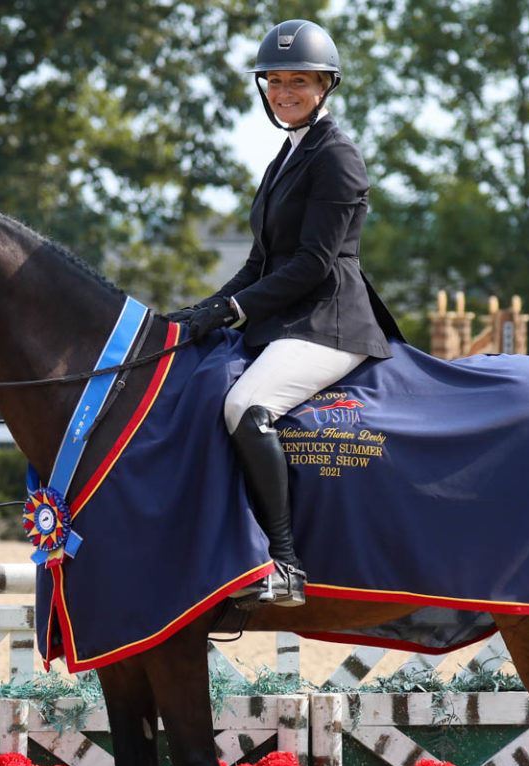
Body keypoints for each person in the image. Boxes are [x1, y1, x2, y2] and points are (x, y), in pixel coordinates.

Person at [167, 18, 403, 607]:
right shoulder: (286, 157)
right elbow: (260, 261)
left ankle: (285, 564)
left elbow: (313, 265)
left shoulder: (337, 156)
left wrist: (234, 311)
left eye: (299, 80)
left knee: (247, 406)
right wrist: (203, 311)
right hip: (287, 318)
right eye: (275, 80)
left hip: (329, 321)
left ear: (325, 87)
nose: (285, 91)